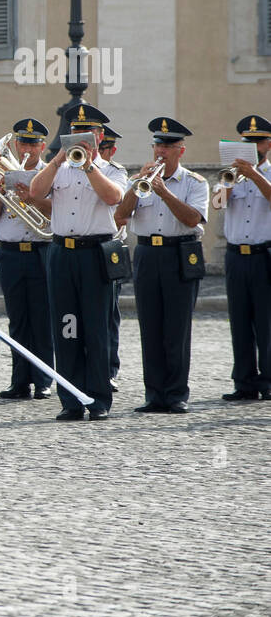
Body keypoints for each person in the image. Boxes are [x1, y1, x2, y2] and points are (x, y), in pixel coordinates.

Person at [28, 103, 127, 421]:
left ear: (98, 137)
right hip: (61, 253)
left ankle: (98, 398)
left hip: (95, 253)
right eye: (73, 133)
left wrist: (88, 166)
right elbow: (35, 191)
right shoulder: (59, 167)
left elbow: (113, 198)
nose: (77, 139)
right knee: (65, 326)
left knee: (97, 328)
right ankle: (70, 399)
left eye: (85, 134)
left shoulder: (113, 170)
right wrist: (57, 158)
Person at [114, 117, 209, 414]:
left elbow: (193, 219)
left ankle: (177, 393)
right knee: (150, 325)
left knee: (177, 327)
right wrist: (136, 187)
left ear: (180, 150)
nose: (161, 151)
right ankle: (154, 393)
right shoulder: (137, 181)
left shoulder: (194, 183)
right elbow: (121, 215)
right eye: (158, 145)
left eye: (168, 146)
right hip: (146, 254)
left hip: (179, 253)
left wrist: (164, 192)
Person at [0, 119, 54, 400]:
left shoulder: (50, 174)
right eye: (22, 143)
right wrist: (0, 194)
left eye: (32, 143)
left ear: (41, 146)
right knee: (17, 320)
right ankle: (19, 380)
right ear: (15, 145)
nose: (26, 148)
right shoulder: (2, 175)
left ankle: (43, 379)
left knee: (42, 318)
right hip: (10, 253)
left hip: (40, 251)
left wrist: (32, 198)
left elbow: (55, 215)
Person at [218, 114, 271, 401]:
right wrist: (230, 182)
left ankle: (269, 380)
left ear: (268, 144)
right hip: (236, 256)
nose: (252, 147)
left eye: (257, 142)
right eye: (246, 142)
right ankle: (245, 381)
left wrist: (255, 175)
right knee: (239, 320)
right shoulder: (230, 176)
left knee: (267, 321)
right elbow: (216, 206)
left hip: (265, 255)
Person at [98, 125, 128, 391]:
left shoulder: (115, 173)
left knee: (108, 315)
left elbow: (117, 212)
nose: (95, 152)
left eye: (101, 148)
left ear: (111, 150)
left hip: (109, 248)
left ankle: (109, 369)